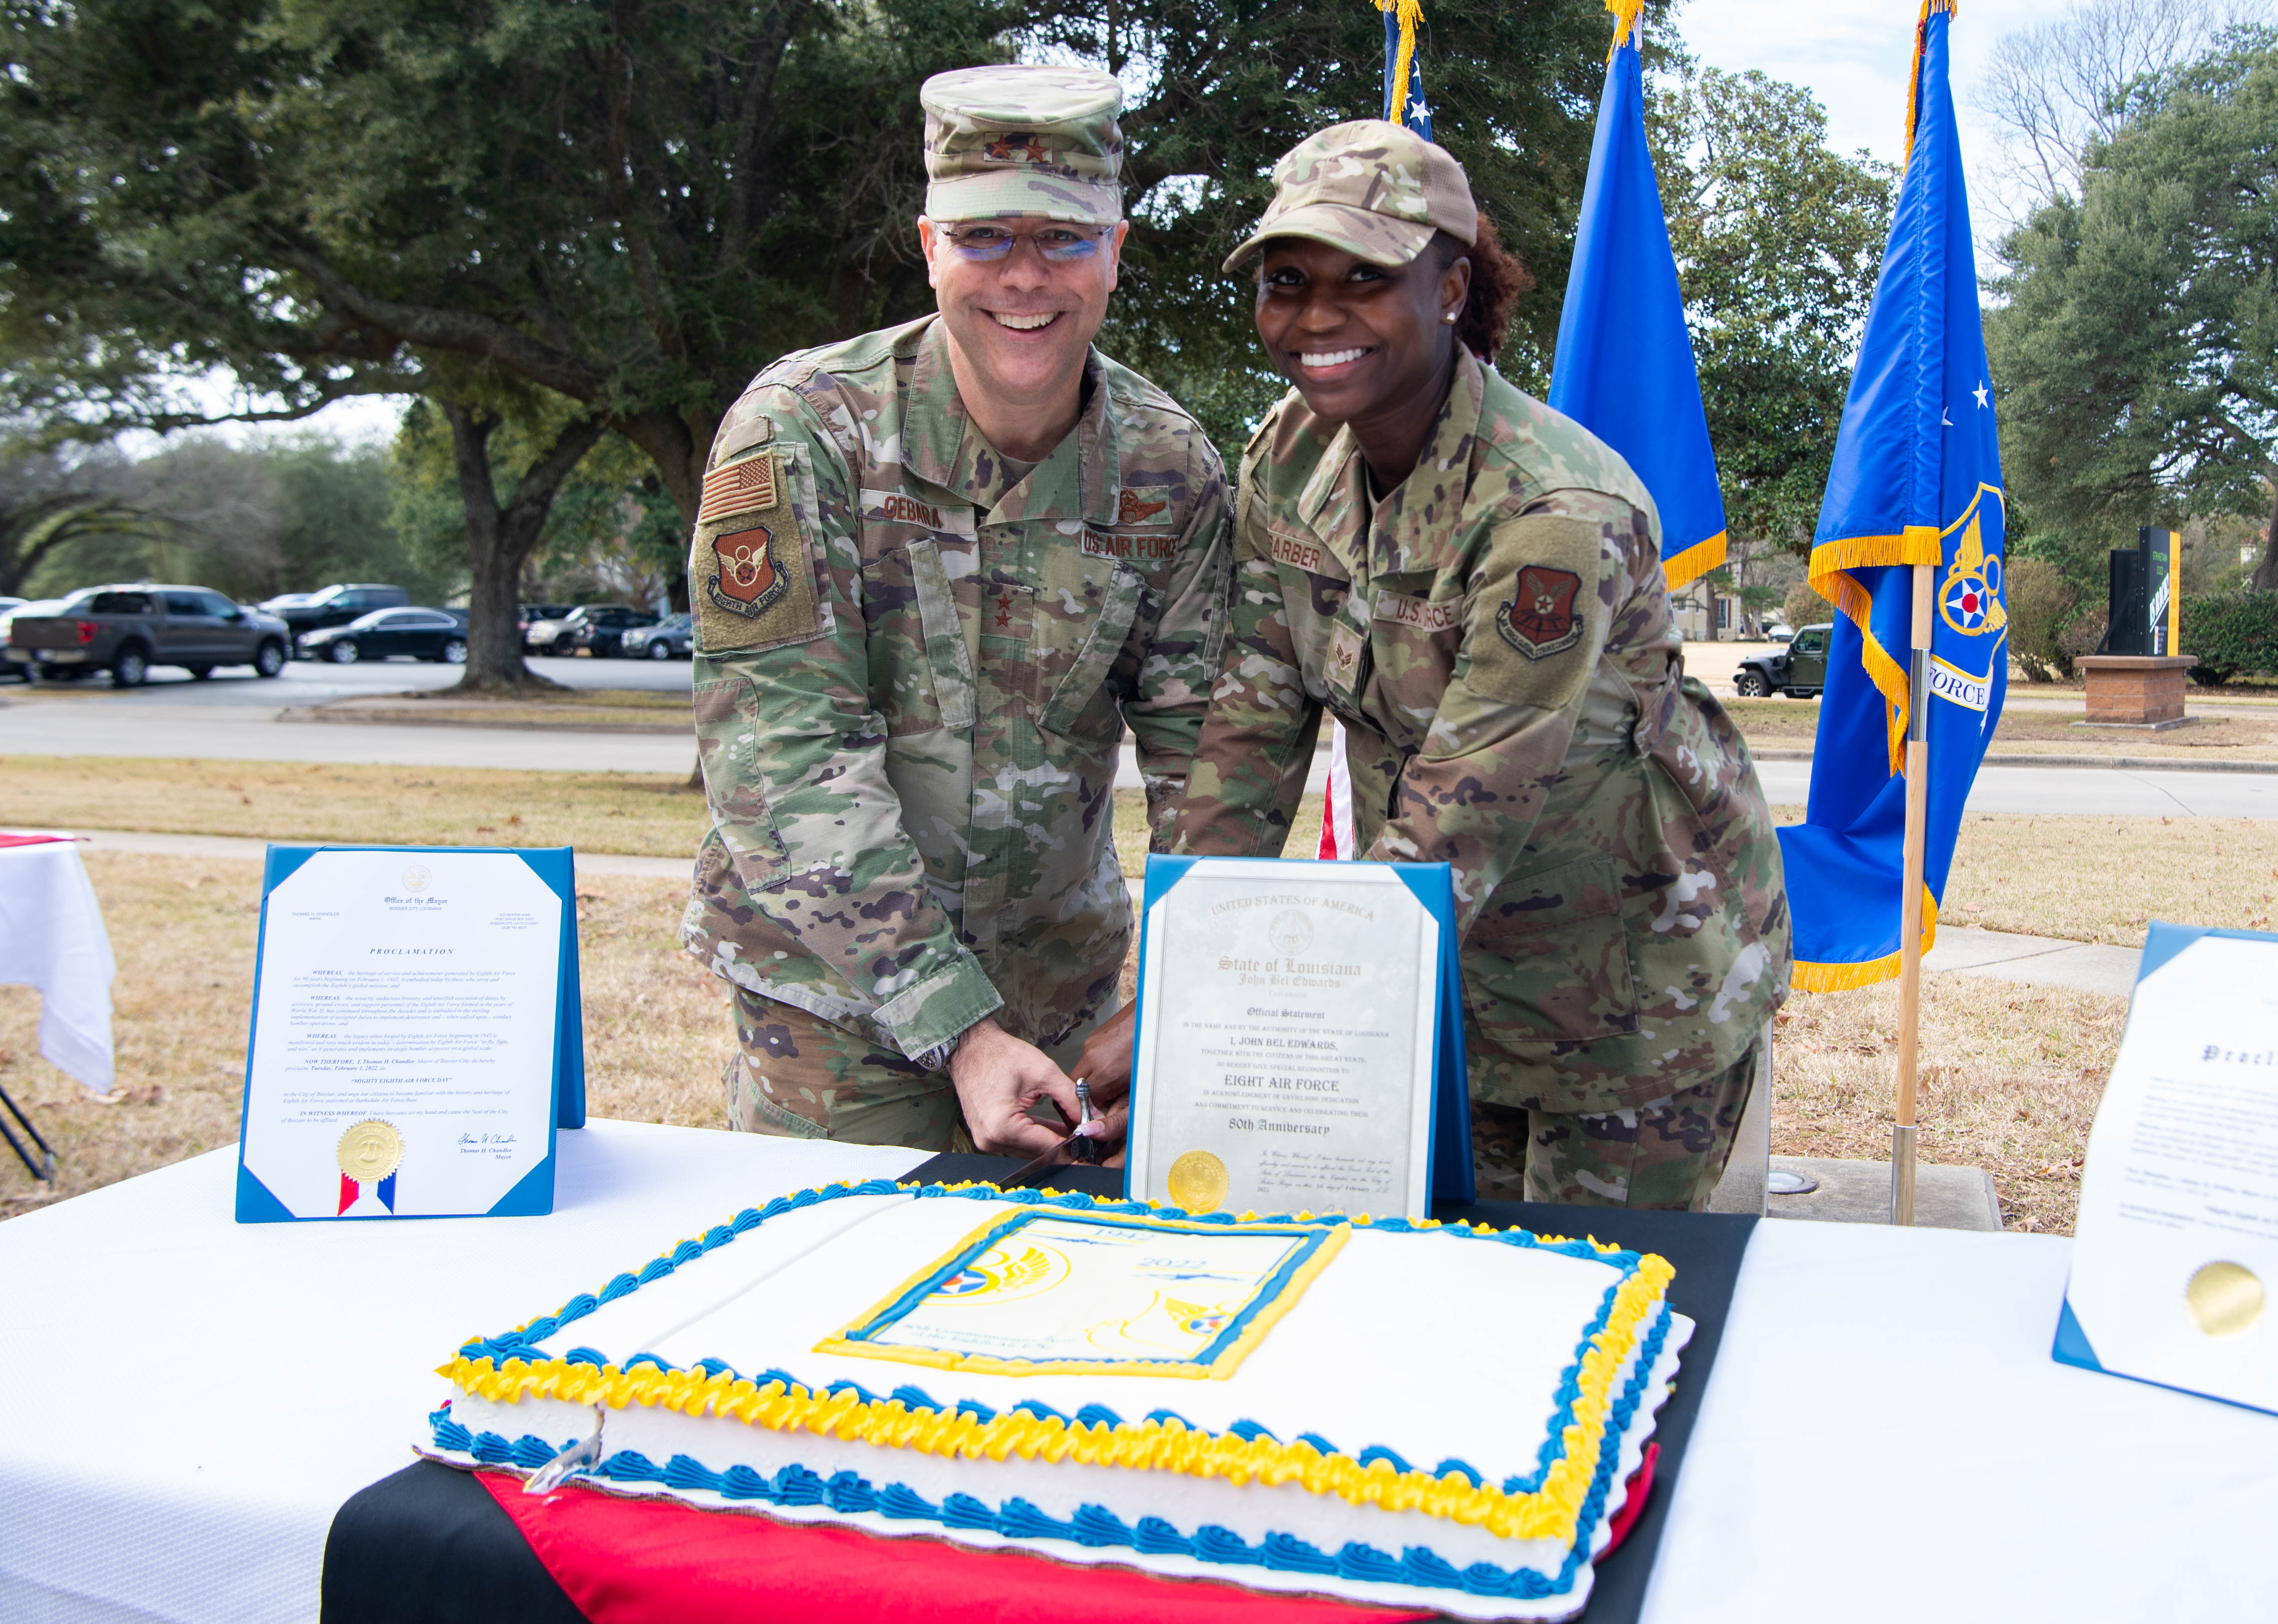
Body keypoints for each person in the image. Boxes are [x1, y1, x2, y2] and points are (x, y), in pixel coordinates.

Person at [1165, 121, 1789, 1209]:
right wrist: (1188, 973)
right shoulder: (1290, 450)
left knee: (1601, 1321)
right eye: (1286, 280)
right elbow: (1253, 718)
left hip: (1632, 989)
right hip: (1442, 987)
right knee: (1447, 1305)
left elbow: (1465, 815)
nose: (1316, 316)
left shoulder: (1551, 509)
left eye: (1366, 279)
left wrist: (1268, 1020)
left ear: (1450, 290)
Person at [681, 65, 1231, 1158]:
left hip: (1065, 1015)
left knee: (1057, 1306)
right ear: (930, 246)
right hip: (837, 1015)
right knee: (828, 1303)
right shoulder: (803, 434)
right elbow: (783, 758)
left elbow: (1211, 767)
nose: (1024, 277)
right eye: (986, 240)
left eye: (1064, 241)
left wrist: (1174, 993)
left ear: (1115, 253)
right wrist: (957, 1027)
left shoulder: (1169, 470)